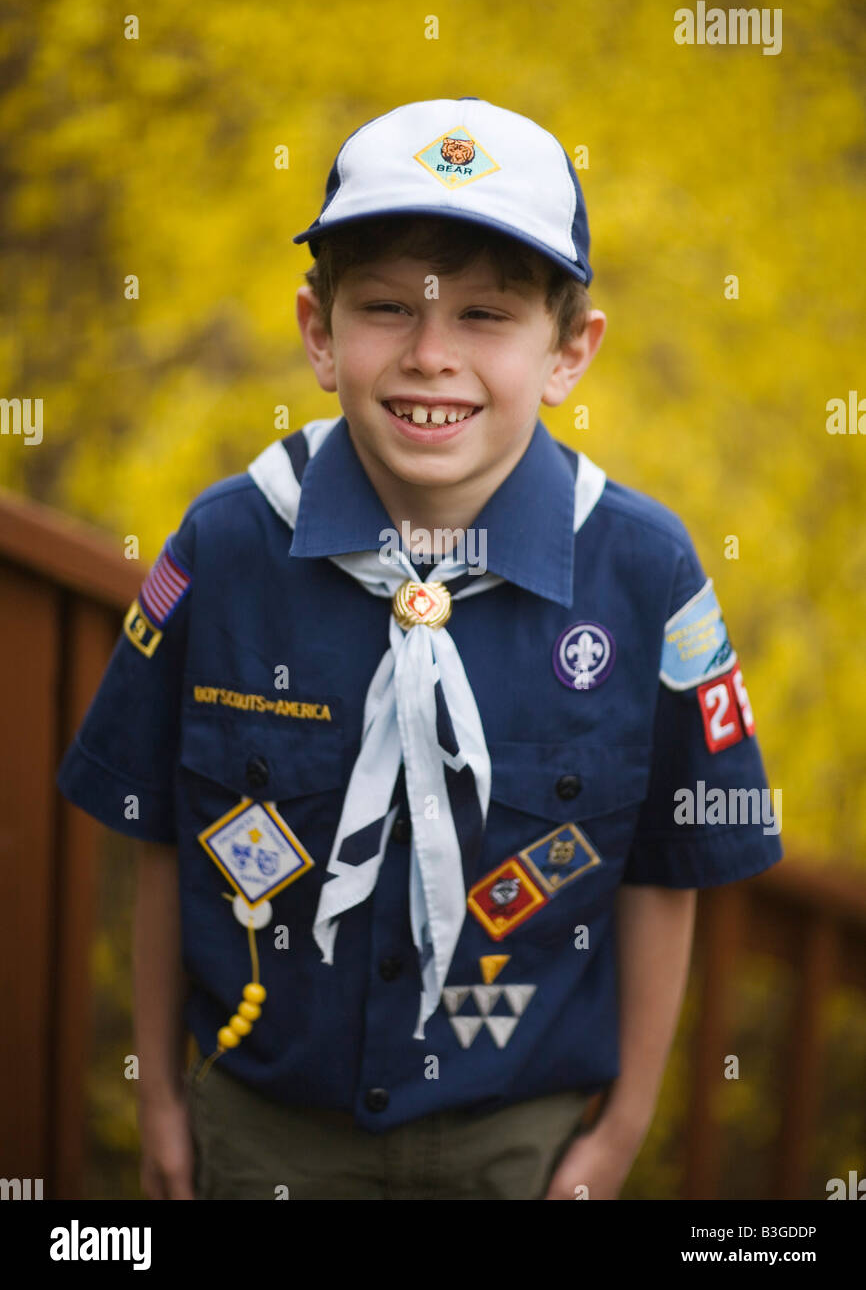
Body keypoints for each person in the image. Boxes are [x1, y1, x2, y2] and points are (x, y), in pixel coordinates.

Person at [56, 96, 783, 1201]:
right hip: (261, 1134)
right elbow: (164, 833)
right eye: (387, 307)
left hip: (517, 1142)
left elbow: (664, 870)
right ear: (318, 332)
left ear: (567, 351)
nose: (430, 356)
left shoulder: (644, 573)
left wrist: (618, 1135)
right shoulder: (228, 545)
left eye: (486, 315)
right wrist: (160, 1097)